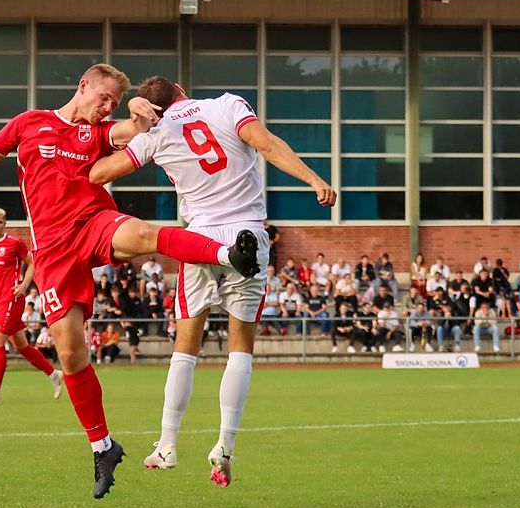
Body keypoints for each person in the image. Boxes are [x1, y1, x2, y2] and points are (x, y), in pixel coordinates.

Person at [0, 64, 261, 499]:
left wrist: (140, 110)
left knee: (144, 235)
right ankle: (103, 446)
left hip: (93, 223)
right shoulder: (29, 124)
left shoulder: (101, 132)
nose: (105, 107)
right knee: (70, 352)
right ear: (83, 86)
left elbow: (132, 128)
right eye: (103, 97)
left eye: (112, 102)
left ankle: (229, 253)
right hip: (52, 250)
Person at [88, 75, 335, 486]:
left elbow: (99, 173)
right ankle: (225, 445)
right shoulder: (227, 104)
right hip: (248, 235)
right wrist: (313, 180)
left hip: (198, 240)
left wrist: (117, 133)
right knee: (241, 348)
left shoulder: (155, 131)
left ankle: (167, 445)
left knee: (186, 347)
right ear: (182, 90)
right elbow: (267, 145)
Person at [0, 208, 64, 404]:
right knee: (21, 345)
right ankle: (54, 374)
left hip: (13, 298)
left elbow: (33, 264)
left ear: (5, 224)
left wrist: (23, 285)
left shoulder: (14, 243)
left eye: (0, 223)